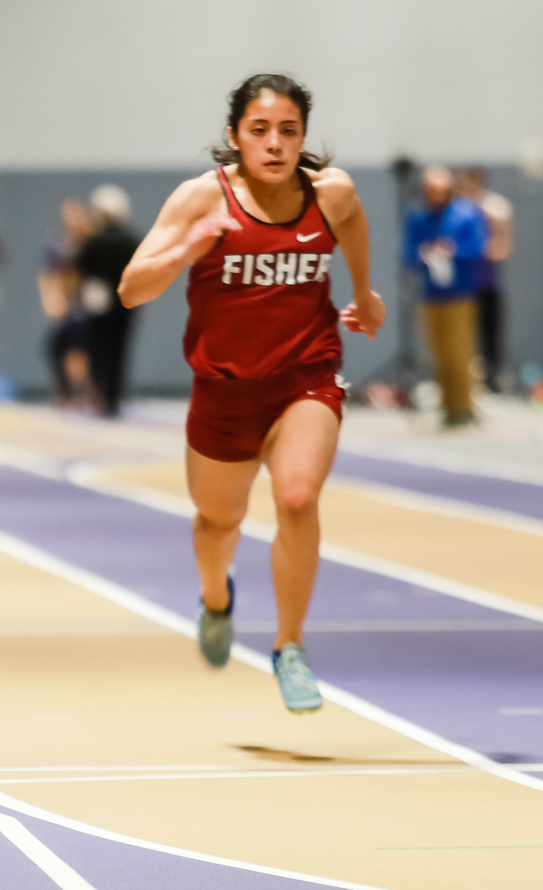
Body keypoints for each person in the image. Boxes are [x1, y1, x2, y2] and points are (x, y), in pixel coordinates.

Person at [118, 73, 383, 714]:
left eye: (288, 132)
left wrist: (365, 291)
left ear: (303, 139)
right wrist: (188, 247)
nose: (274, 144)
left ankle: (289, 647)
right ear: (235, 136)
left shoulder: (330, 193)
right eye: (260, 131)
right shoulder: (200, 199)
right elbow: (131, 288)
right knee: (219, 522)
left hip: (306, 378)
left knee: (297, 497)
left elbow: (352, 224)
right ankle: (216, 600)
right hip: (224, 390)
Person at [403, 165, 488, 427]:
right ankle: (448, 407)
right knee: (439, 354)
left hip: (460, 294)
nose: (435, 194)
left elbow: (477, 247)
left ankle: (464, 408)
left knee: (459, 353)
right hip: (432, 296)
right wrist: (424, 253)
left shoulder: (465, 214)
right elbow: (408, 253)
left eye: (440, 190)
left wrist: (452, 250)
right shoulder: (417, 217)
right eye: (431, 190)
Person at [77, 185, 142, 417]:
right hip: (125, 302)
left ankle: (99, 396)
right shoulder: (132, 240)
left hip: (99, 302)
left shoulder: (93, 241)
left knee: (98, 349)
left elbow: (81, 268)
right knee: (119, 351)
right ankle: (114, 400)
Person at [455, 168, 512, 391]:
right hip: (461, 285)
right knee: (463, 336)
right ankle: (466, 381)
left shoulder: (494, 208)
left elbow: (503, 248)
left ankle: (492, 381)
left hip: (486, 283)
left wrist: (477, 246)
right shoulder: (457, 210)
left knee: (490, 336)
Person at [40, 198, 96, 408]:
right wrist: (51, 300)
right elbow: (47, 274)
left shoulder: (90, 239)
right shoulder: (56, 240)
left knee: (82, 347)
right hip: (65, 300)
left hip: (87, 301)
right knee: (57, 347)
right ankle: (67, 390)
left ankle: (83, 389)